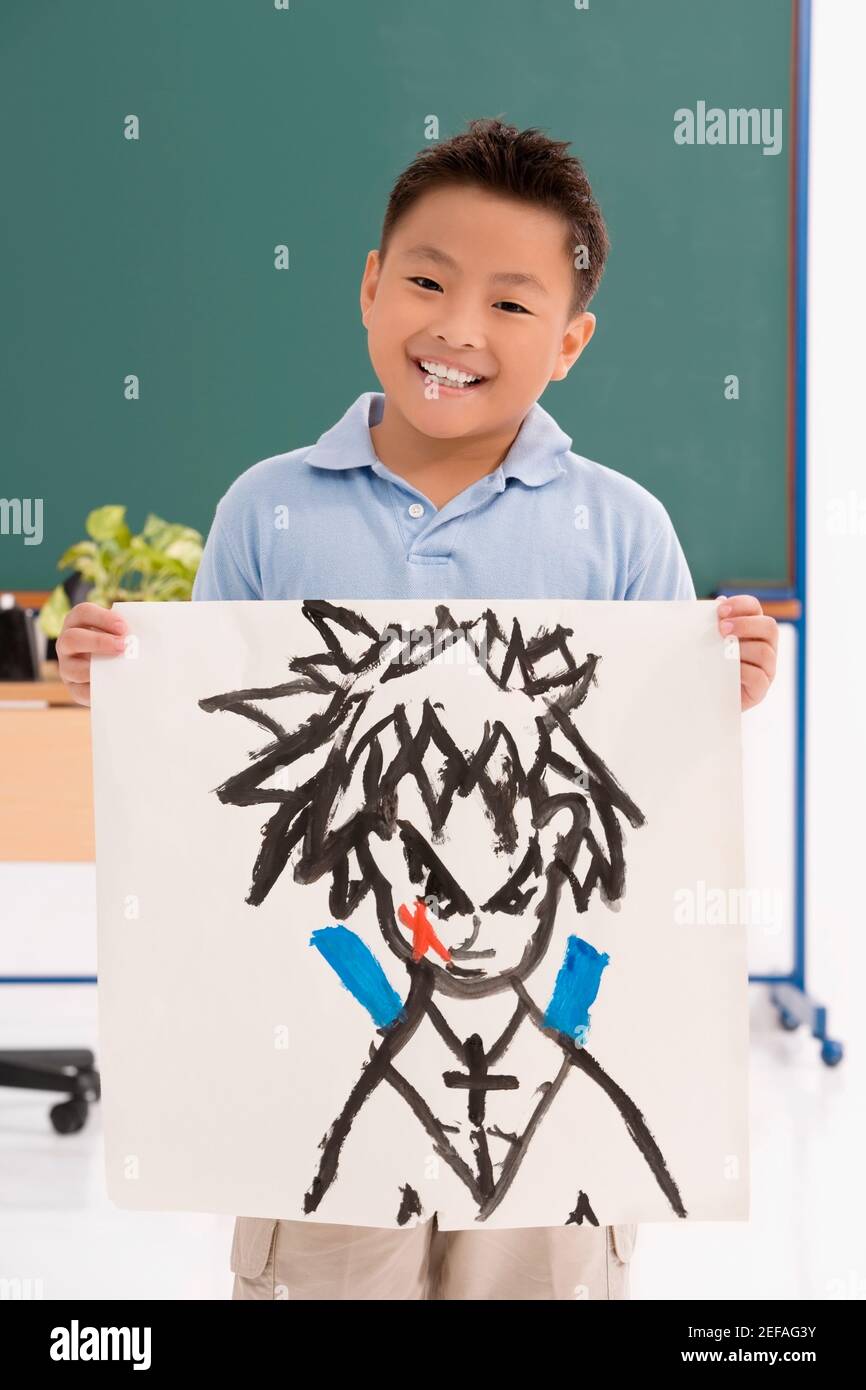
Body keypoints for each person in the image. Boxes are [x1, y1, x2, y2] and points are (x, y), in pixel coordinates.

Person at [56, 117, 778, 1300]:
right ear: (368, 287)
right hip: (313, 1058)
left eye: (509, 303)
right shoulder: (266, 508)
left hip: (558, 1079)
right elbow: (217, 765)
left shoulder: (621, 526)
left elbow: (642, 799)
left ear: (569, 342)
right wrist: (124, 688)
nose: (454, 328)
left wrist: (721, 690)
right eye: (427, 282)